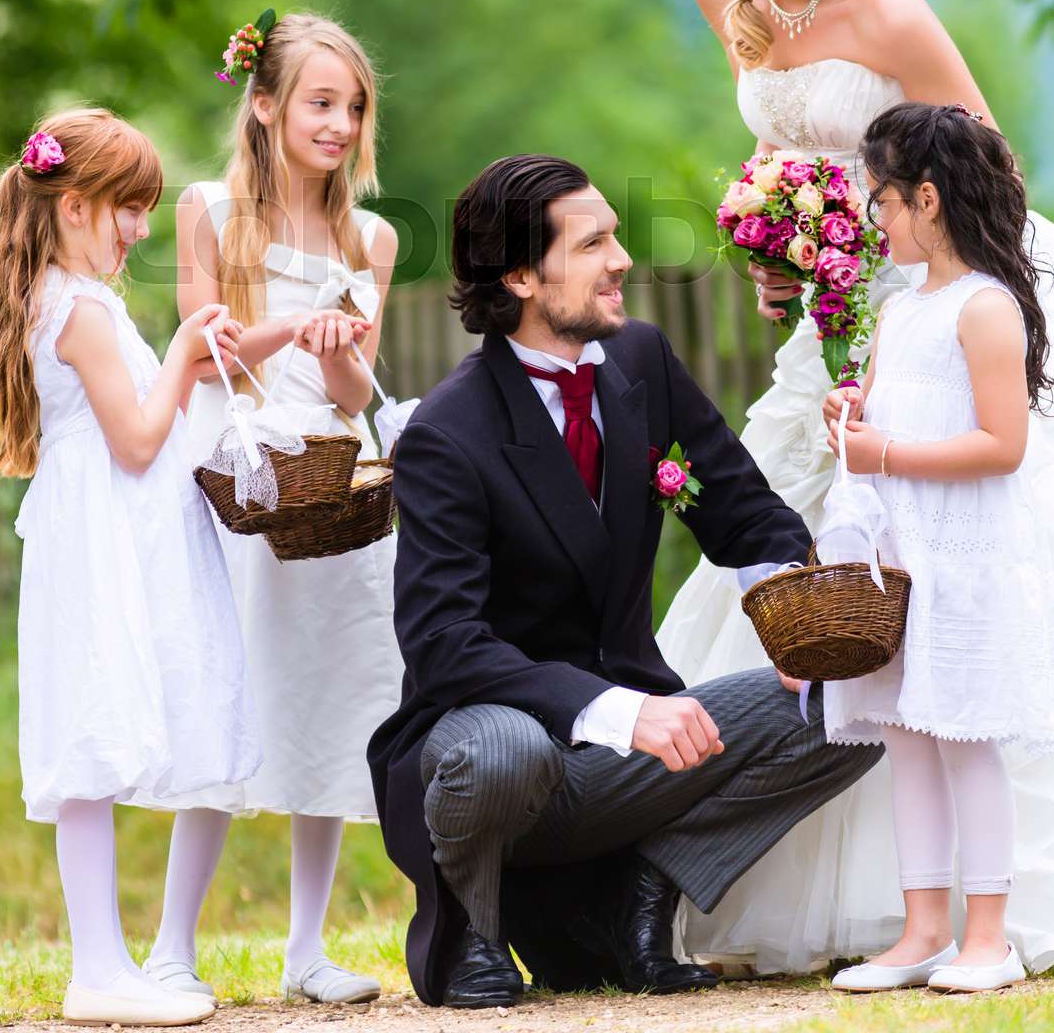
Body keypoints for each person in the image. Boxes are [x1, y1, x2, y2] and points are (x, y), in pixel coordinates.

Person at [658, 0, 1054, 973]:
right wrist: (782, 250)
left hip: (928, 283)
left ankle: (974, 907)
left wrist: (908, 282)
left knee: (931, 578)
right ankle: (768, 867)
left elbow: (982, 167)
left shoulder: (883, 6)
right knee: (792, 547)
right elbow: (781, 143)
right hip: (827, 301)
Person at [367, 154, 882, 1009]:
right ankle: (469, 934)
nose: (620, 260)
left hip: (624, 763)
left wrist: (804, 629)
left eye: (614, 237)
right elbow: (443, 645)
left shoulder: (638, 358)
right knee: (504, 748)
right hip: (496, 747)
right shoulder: (445, 433)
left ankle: (642, 897)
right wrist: (617, 710)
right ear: (521, 276)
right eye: (592, 244)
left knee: (854, 702)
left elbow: (742, 512)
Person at [143, 13, 404, 1009]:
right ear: (263, 104)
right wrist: (294, 326)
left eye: (353, 106)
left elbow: (352, 391)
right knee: (228, 687)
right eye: (319, 102)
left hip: (326, 478)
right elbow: (205, 354)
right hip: (242, 472)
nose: (339, 124)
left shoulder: (369, 236)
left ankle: (306, 947)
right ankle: (171, 947)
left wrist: (336, 348)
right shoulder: (210, 211)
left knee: (324, 690)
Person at [0, 109, 260, 1027]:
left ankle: (106, 962)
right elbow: (139, 442)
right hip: (100, 534)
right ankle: (98, 968)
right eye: (128, 208)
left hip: (95, 529)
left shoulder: (55, 298)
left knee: (94, 733)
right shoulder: (85, 310)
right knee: (92, 734)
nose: (142, 228)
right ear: (72, 207)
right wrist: (182, 352)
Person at [822, 102, 1054, 994]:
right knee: (905, 737)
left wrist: (884, 451)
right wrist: (849, 412)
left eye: (879, 199)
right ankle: (921, 928)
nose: (872, 218)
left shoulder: (984, 307)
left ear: (925, 198)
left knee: (961, 737)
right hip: (903, 556)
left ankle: (986, 936)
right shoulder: (899, 310)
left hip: (963, 557)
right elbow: (883, 415)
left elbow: (1002, 444)